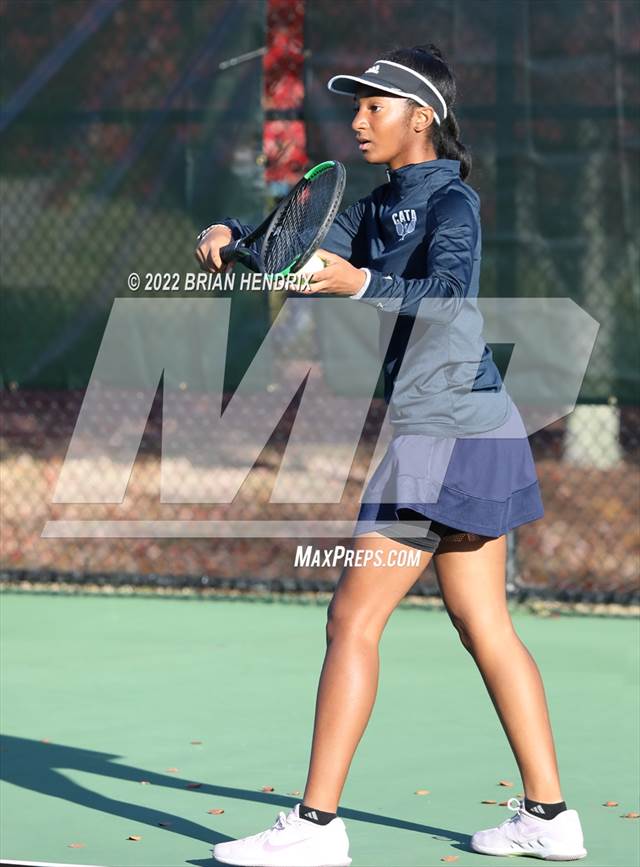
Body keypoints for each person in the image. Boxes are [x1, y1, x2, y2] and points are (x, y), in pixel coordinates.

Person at [196, 43, 587, 867]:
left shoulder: (454, 203)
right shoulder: (375, 206)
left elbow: (447, 295)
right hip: (474, 430)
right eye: (357, 105)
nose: (359, 119)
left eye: (375, 105)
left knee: (353, 619)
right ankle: (550, 816)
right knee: (484, 623)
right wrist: (233, 237)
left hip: (448, 432)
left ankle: (315, 827)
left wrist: (361, 285)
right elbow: (291, 247)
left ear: (423, 117)